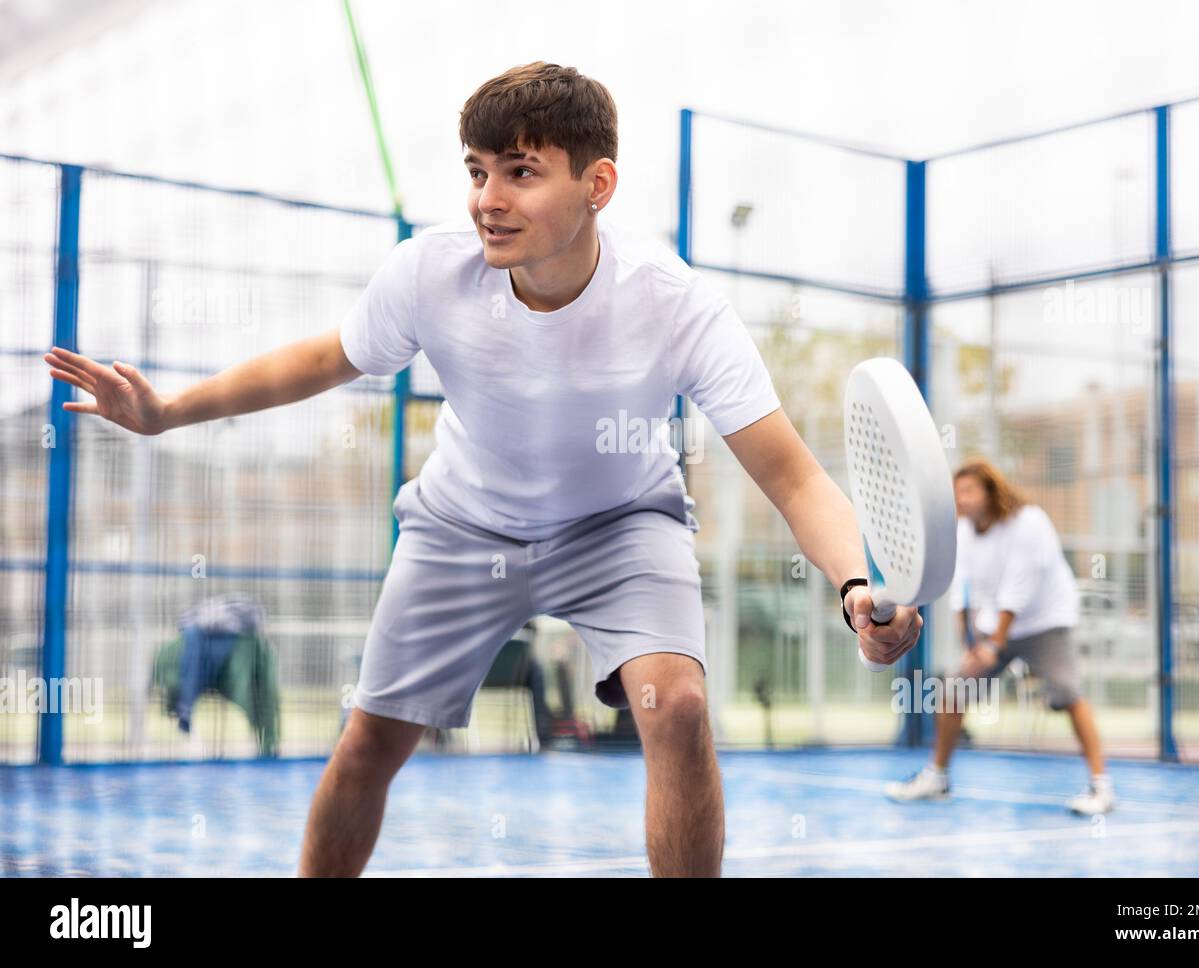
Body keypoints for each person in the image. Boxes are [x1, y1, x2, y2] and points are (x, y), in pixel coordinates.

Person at [44, 61, 920, 877]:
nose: (487, 200)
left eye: (520, 172)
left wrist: (854, 585)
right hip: (461, 526)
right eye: (476, 172)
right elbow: (317, 361)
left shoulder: (676, 304)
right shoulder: (430, 273)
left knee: (679, 708)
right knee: (367, 744)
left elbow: (794, 476)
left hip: (621, 528)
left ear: (597, 185)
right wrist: (165, 413)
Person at [884, 458, 1116, 816]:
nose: (960, 498)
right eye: (956, 492)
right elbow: (959, 583)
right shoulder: (962, 529)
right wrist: (972, 641)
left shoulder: (1029, 522)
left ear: (991, 492)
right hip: (997, 625)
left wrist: (993, 645)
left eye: (968, 491)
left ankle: (1101, 787)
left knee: (1069, 694)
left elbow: (1019, 587)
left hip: (1045, 622)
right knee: (952, 691)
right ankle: (938, 778)